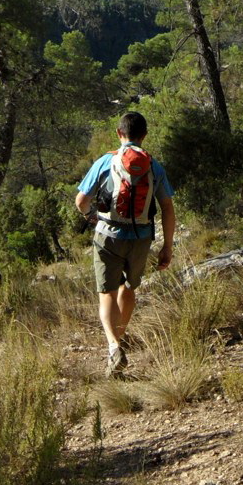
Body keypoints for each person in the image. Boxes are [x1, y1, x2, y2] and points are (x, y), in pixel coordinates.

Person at [74, 112, 175, 377]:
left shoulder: (106, 161)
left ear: (120, 134)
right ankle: (120, 339)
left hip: (107, 235)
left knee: (107, 292)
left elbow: (81, 201)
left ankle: (113, 345)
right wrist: (168, 246)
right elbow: (167, 208)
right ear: (144, 135)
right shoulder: (155, 166)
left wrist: (91, 218)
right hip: (141, 238)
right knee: (128, 287)